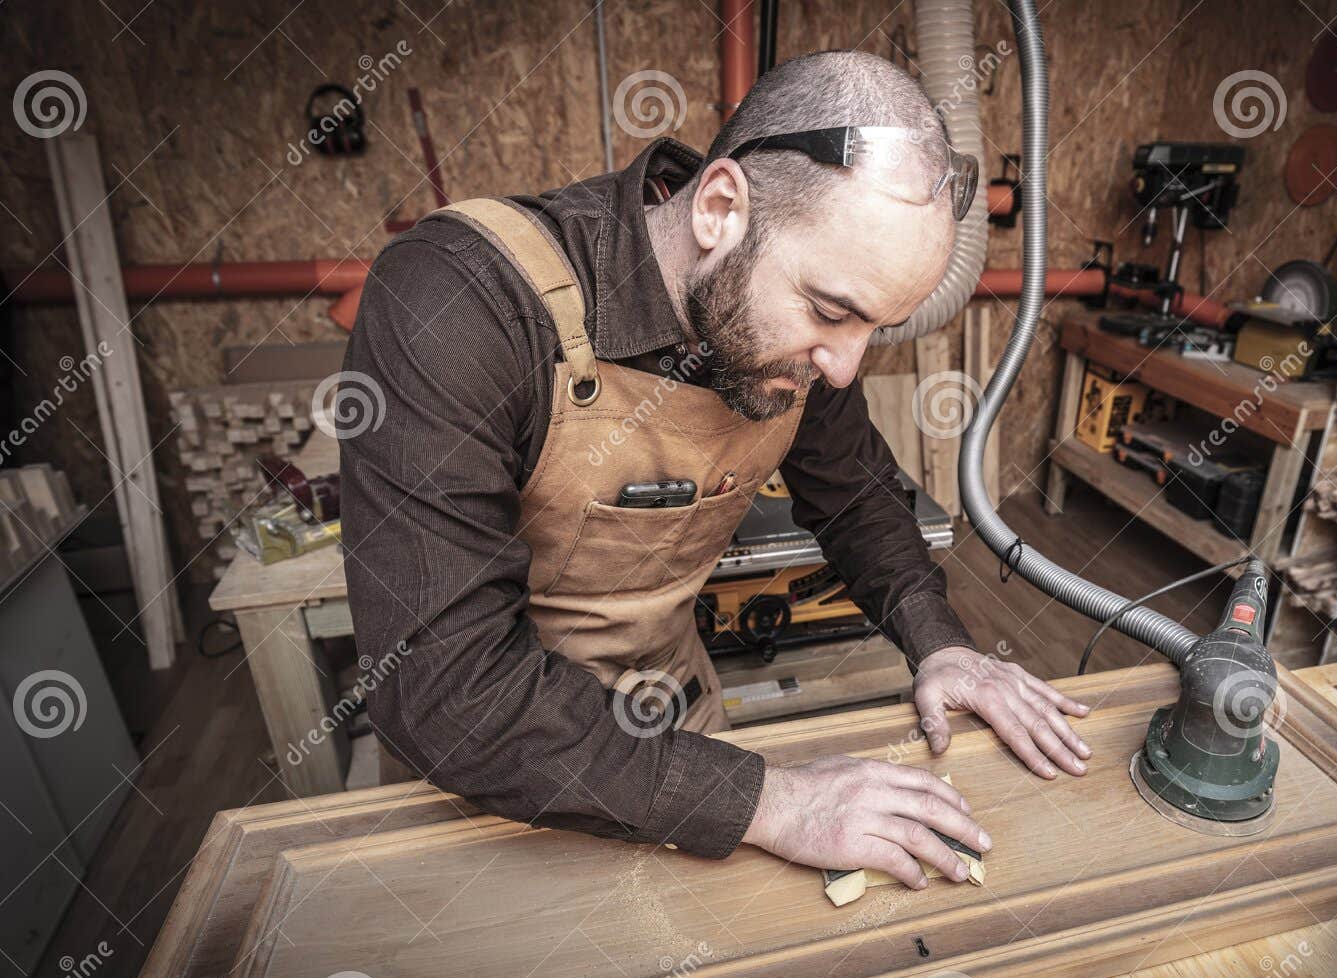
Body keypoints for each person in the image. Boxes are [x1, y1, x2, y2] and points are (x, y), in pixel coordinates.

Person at [340, 50, 1092, 893]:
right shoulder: (458, 301)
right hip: (487, 773)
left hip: (675, 723)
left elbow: (856, 496)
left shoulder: (805, 338)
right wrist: (775, 803)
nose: (845, 368)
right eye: (832, 312)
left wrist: (940, 645)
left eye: (876, 329)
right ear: (721, 208)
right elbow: (447, 690)